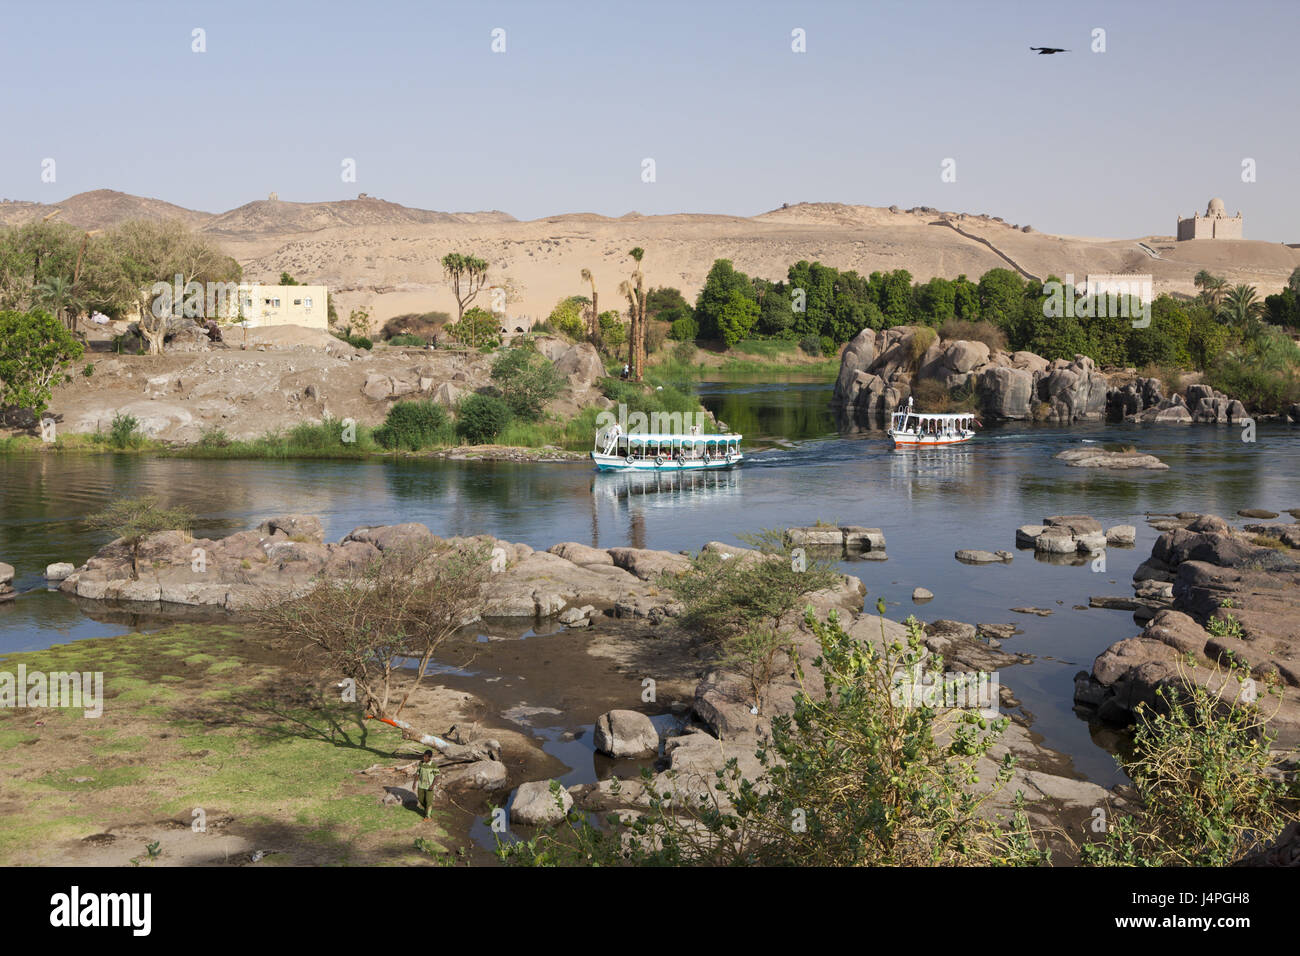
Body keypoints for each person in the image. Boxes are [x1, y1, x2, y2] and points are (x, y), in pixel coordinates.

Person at [415, 749, 438, 821]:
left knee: (429, 801)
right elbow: (417, 773)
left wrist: (432, 785)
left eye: (425, 757)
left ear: (429, 757)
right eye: (423, 756)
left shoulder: (433, 765)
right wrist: (414, 783)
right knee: (420, 799)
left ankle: (428, 816)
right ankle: (427, 810)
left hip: (429, 787)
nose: (424, 758)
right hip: (421, 785)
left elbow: (437, 776)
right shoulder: (421, 763)